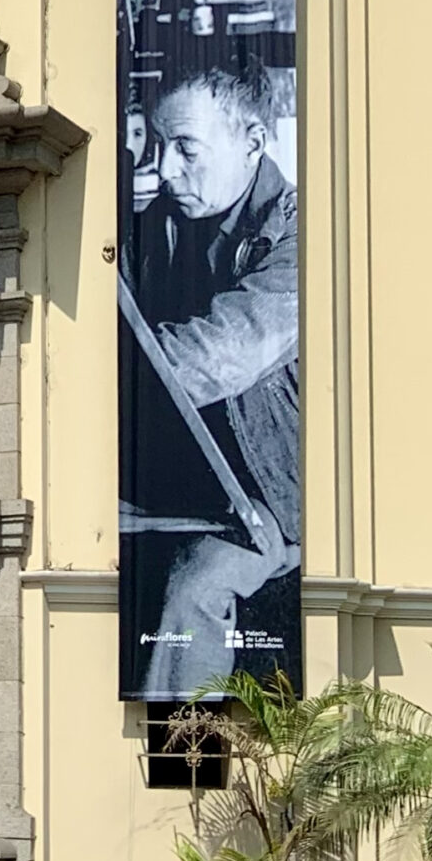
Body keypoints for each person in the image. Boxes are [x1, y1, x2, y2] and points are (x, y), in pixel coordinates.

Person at [127, 66, 300, 695]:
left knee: (194, 588)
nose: (166, 169)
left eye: (186, 149)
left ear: (252, 143)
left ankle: (182, 762)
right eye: (156, 147)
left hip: (276, 500)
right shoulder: (165, 226)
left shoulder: (299, 239)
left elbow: (208, 361)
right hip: (191, 480)